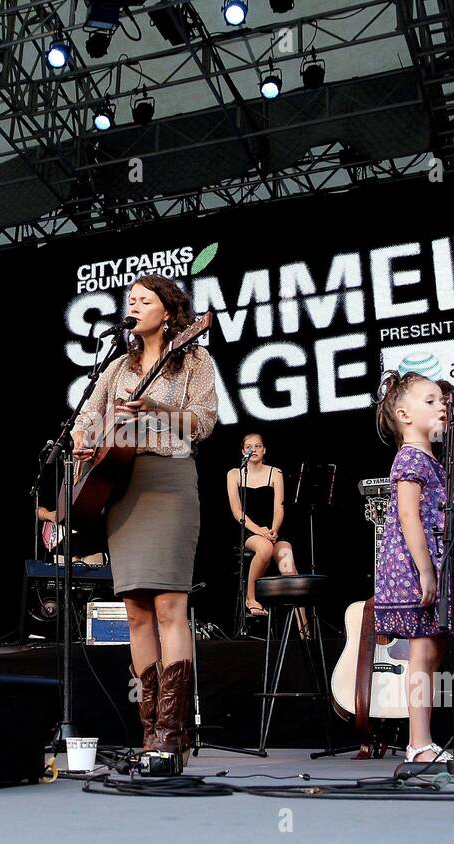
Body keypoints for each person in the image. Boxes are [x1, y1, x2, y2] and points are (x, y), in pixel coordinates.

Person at [73, 274, 217, 759]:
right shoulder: (116, 367)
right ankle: (149, 730)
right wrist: (82, 439)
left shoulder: (195, 359)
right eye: (129, 300)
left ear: (167, 310)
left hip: (169, 481)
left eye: (144, 300)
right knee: (136, 611)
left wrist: (157, 407)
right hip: (121, 488)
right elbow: (87, 418)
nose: (133, 306)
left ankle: (173, 733)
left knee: (169, 608)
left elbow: (203, 422)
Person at [372, 371, 454, 763]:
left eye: (442, 400)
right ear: (404, 414)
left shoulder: (430, 458)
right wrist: (425, 569)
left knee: (432, 651)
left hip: (433, 559)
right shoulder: (411, 458)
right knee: (422, 652)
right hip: (415, 563)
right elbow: (407, 515)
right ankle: (418, 742)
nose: (441, 407)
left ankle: (425, 738)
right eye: (430, 401)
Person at [226, 433, 300, 617]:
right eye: (249, 447)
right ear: (243, 451)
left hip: (272, 530)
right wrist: (260, 531)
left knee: (288, 562)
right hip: (249, 531)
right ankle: (251, 598)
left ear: (264, 449)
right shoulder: (234, 474)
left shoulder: (275, 472)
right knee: (265, 548)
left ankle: (303, 626)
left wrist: (274, 529)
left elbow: (279, 508)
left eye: (257, 446)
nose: (253, 450)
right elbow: (237, 512)